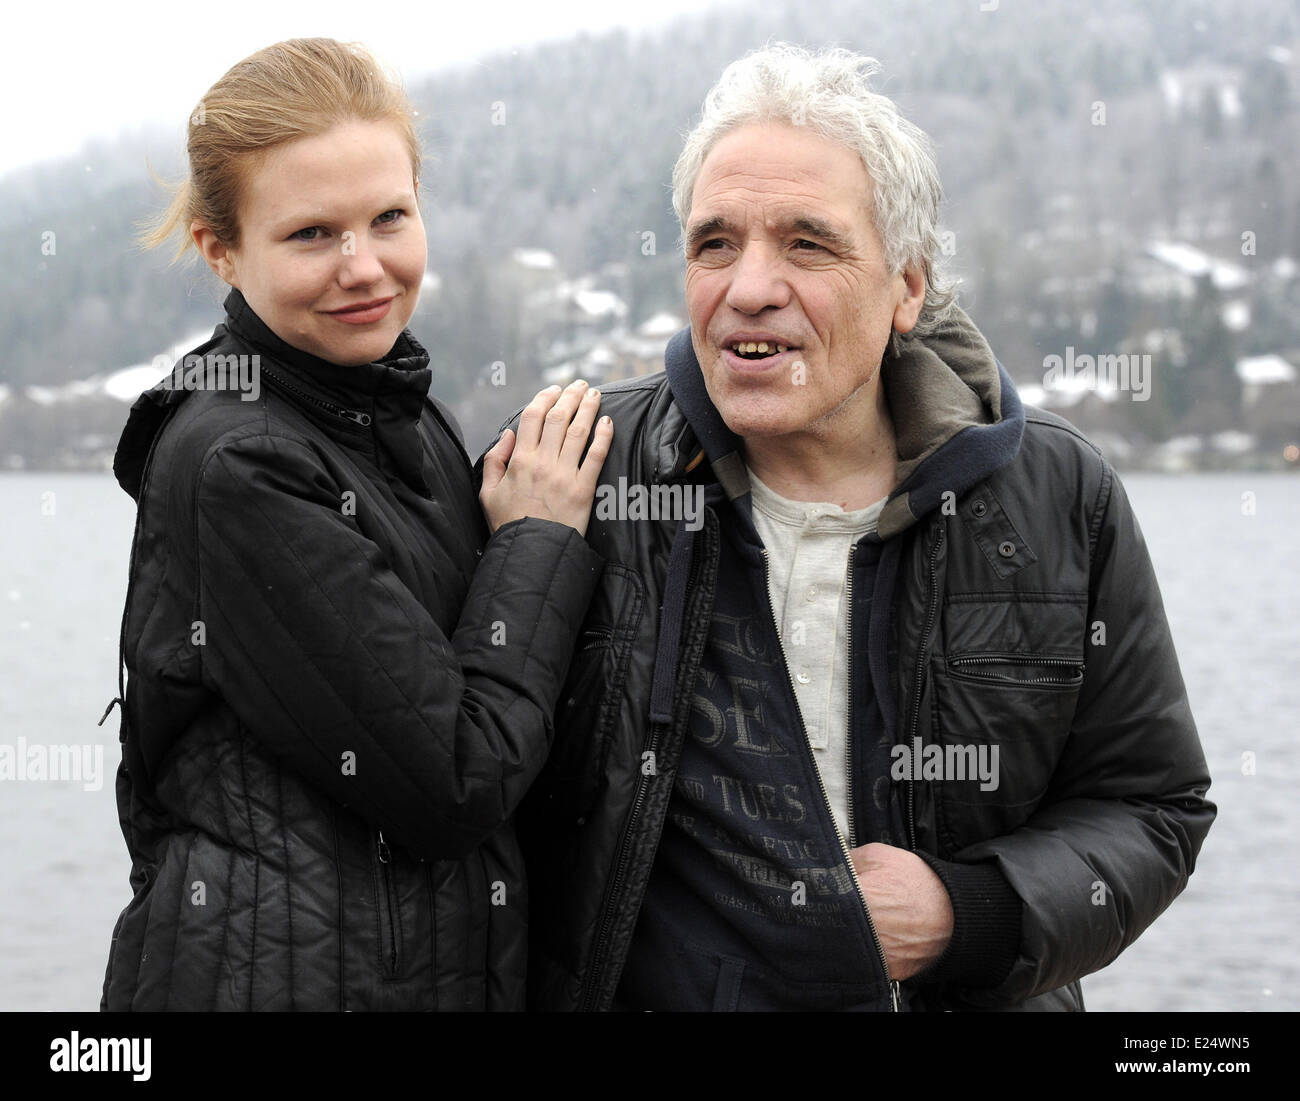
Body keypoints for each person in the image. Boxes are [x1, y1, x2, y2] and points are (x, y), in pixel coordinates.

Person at [513, 44, 1215, 1011]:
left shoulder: (1059, 494)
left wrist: (973, 911)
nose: (749, 286)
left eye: (808, 244)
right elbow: (445, 776)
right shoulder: (572, 472)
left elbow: (1153, 804)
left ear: (907, 289)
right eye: (715, 243)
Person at [100, 37, 611, 1011]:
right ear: (220, 248)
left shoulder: (396, 410)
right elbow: (454, 780)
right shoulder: (239, 462)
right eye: (310, 235)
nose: (364, 267)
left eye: (390, 218)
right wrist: (536, 542)